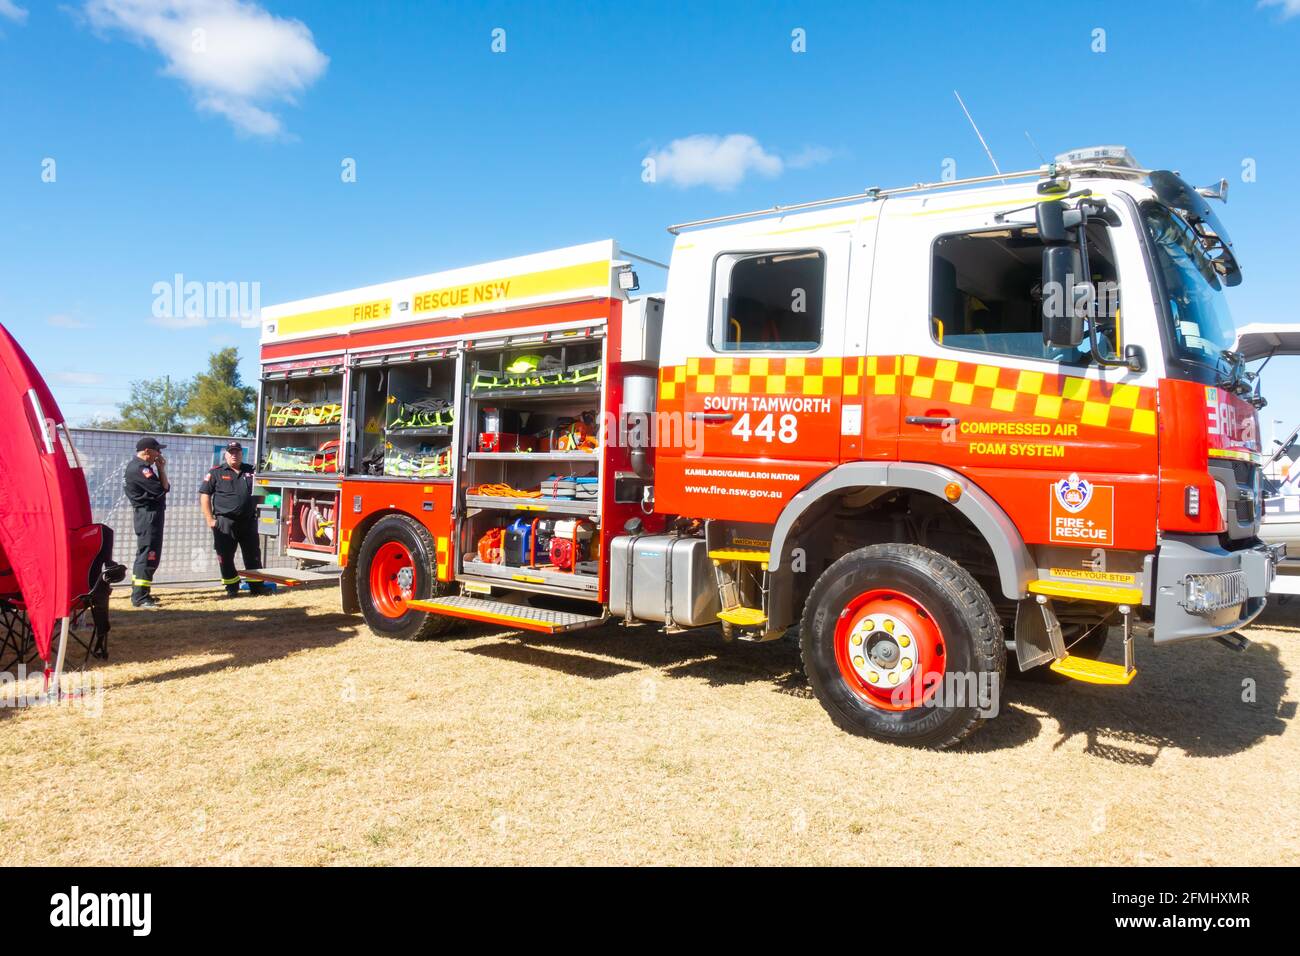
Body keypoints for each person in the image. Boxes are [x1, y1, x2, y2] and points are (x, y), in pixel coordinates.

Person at [200, 441, 268, 598]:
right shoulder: (216, 472)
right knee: (225, 556)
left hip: (248, 521)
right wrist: (210, 519)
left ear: (241, 454)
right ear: (225, 454)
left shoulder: (251, 471)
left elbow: (262, 492)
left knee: (253, 555)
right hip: (225, 522)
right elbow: (205, 496)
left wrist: (258, 509)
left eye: (237, 452)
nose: (234, 454)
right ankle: (231, 587)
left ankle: (256, 587)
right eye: (231, 452)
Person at [123, 436, 169, 609]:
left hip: (148, 514)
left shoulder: (142, 467)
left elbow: (165, 488)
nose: (159, 453)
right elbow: (162, 489)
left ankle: (141, 591)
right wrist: (161, 470)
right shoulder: (140, 469)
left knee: (146, 553)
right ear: (147, 451)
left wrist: (160, 468)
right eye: (157, 450)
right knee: (149, 555)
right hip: (148, 515)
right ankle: (140, 598)